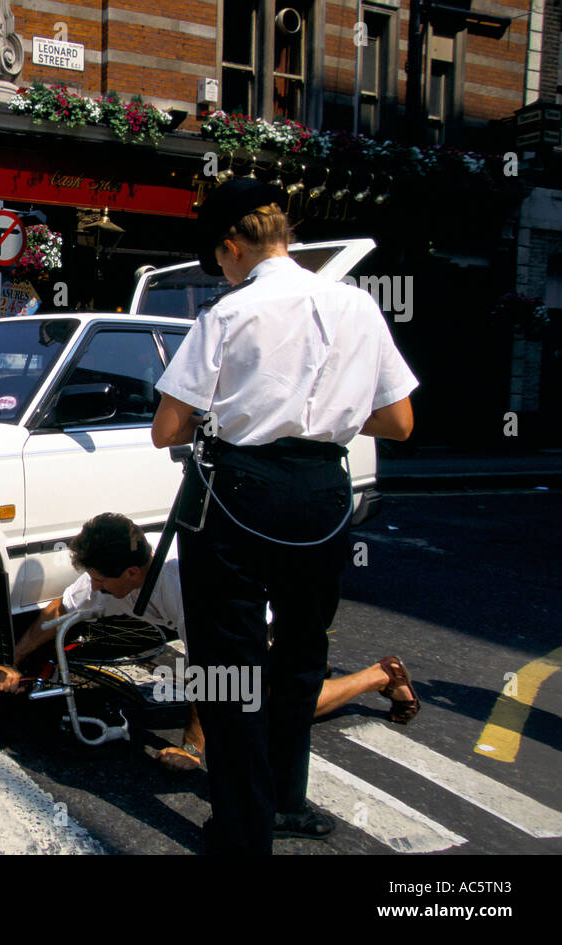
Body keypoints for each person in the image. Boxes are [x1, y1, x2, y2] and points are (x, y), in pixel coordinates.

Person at [149, 177, 418, 853]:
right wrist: (326, 408)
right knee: (301, 651)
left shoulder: (228, 314)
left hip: (241, 497)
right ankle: (288, 800)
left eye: (222, 260)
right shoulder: (357, 305)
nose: (223, 271)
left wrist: (234, 412)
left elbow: (166, 427)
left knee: (227, 666)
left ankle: (244, 832)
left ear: (234, 247)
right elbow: (400, 420)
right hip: (325, 495)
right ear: (285, 237)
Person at [0, 514, 420, 772]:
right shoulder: (111, 577)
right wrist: (13, 662)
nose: (95, 588)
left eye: (102, 581)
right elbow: (56, 614)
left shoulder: (185, 586)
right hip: (205, 622)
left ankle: (380, 675)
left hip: (254, 620)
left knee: (270, 709)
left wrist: (192, 749)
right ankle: (300, 671)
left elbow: (207, 676)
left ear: (133, 575)